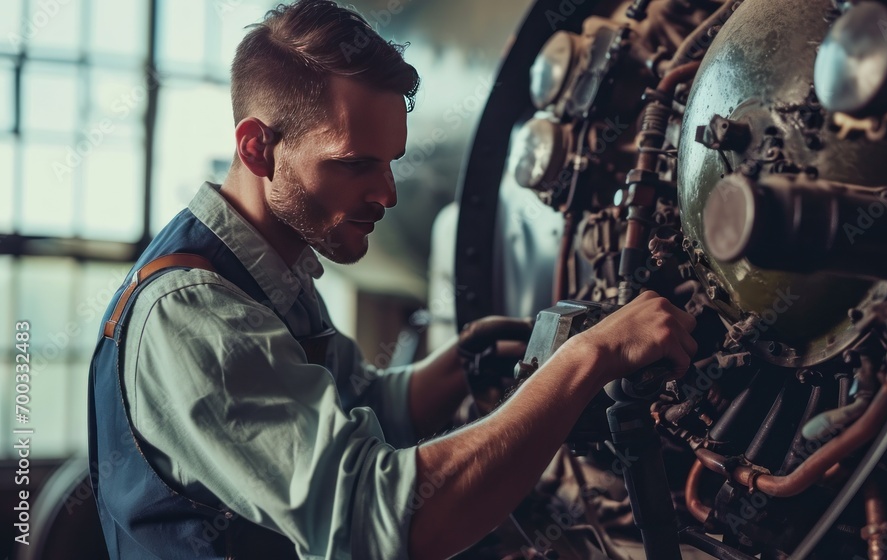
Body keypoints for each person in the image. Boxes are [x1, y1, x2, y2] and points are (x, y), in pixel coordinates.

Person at [86, 1, 698, 559]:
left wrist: (464, 359)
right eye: (354, 164)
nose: (386, 193)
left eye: (389, 163)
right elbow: (377, 524)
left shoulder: (274, 265)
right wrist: (591, 357)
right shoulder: (196, 314)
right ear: (257, 147)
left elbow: (362, 401)